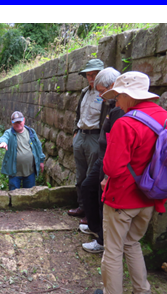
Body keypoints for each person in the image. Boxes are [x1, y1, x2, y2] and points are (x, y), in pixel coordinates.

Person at [93, 71, 167, 294]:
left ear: (128, 96)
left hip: (122, 197)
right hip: (150, 195)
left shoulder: (126, 123)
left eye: (118, 96)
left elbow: (112, 167)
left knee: (114, 249)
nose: (116, 101)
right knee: (132, 243)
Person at [79, 67, 123, 253]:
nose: (99, 94)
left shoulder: (120, 109)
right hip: (102, 158)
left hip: (109, 161)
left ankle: (102, 241)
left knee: (101, 198)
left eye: (101, 90)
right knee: (88, 187)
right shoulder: (112, 104)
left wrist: (108, 173)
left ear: (112, 86)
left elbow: (119, 143)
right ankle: (94, 226)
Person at [68, 59, 108, 223]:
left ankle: (90, 213)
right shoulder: (85, 92)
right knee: (80, 173)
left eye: (94, 74)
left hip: (95, 136)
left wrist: (101, 138)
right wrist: (76, 131)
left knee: (93, 175)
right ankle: (82, 206)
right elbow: (79, 113)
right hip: (81, 135)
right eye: (88, 75)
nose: (91, 78)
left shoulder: (105, 95)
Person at [0, 111, 45, 190]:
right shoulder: (9, 133)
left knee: (30, 194)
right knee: (14, 194)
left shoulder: (31, 132)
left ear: (24, 120)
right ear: (12, 123)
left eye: (19, 121)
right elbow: (4, 138)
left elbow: (38, 146)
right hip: (14, 172)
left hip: (30, 171)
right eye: (15, 122)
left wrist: (41, 160)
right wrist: (3, 142)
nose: (18, 124)